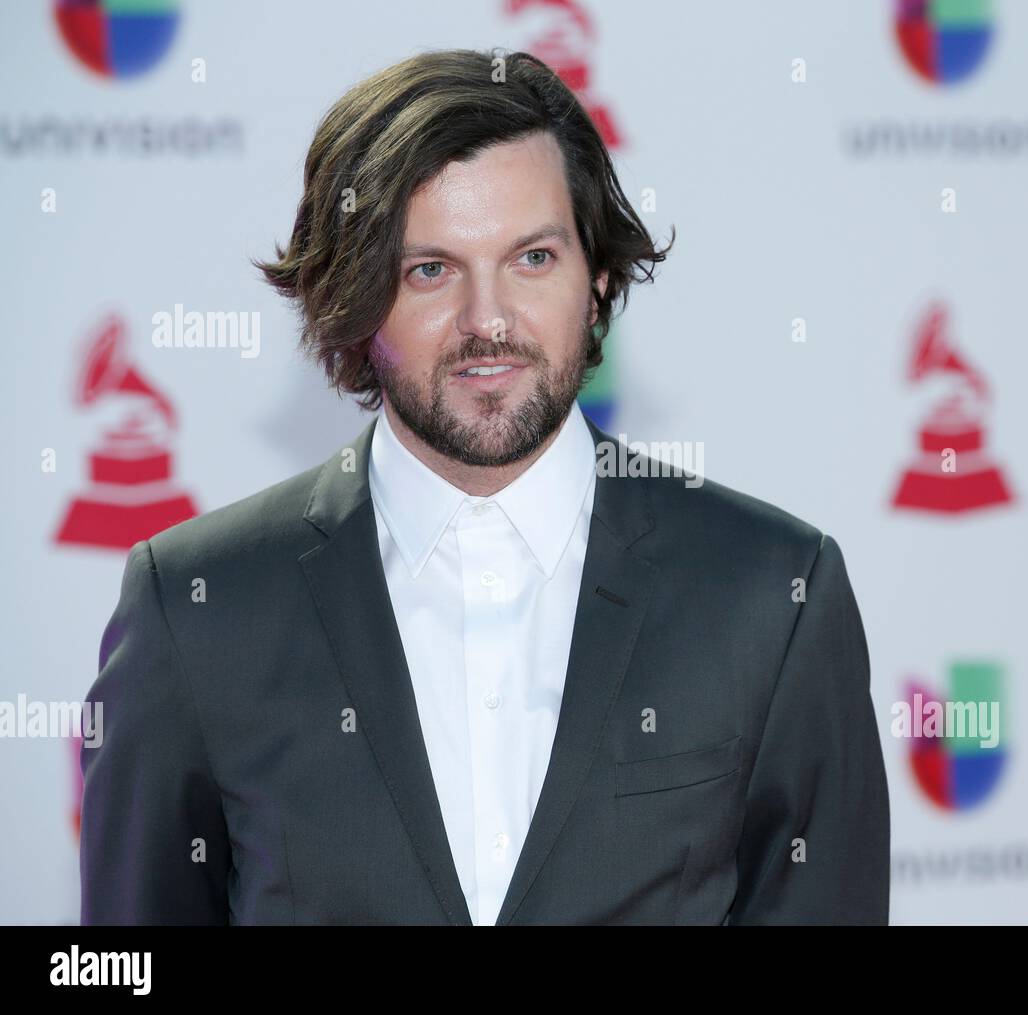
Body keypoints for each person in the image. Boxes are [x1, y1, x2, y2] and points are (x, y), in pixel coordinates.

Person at [79, 48, 889, 925]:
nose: (487, 321)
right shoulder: (197, 605)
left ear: (599, 275)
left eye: (533, 258)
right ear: (351, 298)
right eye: (430, 270)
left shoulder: (775, 592)